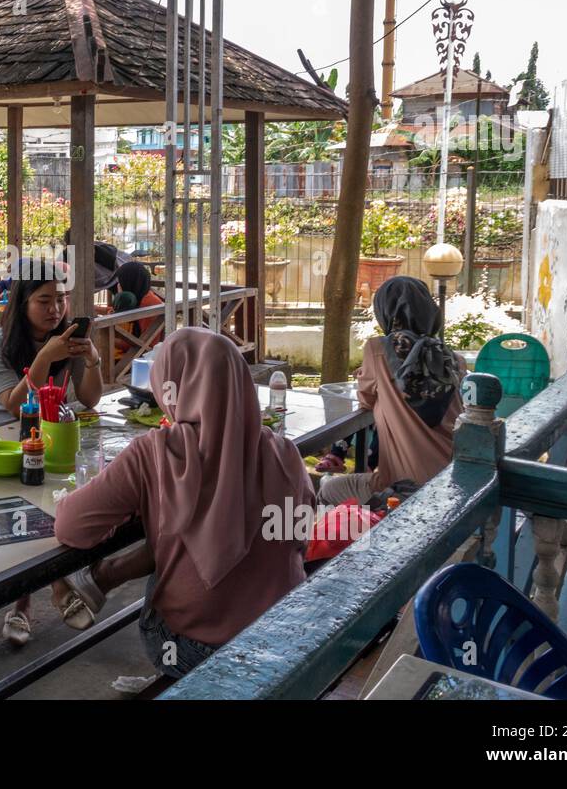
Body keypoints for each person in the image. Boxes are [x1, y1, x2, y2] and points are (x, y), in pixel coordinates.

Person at [54, 327, 314, 678]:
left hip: (192, 648)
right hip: (285, 640)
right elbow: (300, 538)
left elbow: (71, 526)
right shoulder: (285, 451)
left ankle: (101, 578)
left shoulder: (155, 452)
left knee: (175, 546)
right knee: (188, 537)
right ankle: (103, 578)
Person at [0, 263, 105, 644]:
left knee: (48, 508)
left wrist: (91, 357)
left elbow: (91, 398)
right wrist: (44, 357)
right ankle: (38, 598)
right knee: (23, 514)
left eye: (60, 298)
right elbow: (14, 405)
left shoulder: (67, 339)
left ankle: (43, 595)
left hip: (44, 438)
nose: (55, 308)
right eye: (44, 300)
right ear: (21, 303)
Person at [318, 276, 465, 506]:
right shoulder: (453, 359)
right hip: (453, 480)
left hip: (403, 487)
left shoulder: (378, 350)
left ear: (384, 312)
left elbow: (365, 401)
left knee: (326, 490)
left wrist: (371, 377)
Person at [106, 260, 165, 356]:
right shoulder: (142, 295)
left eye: (120, 281)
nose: (118, 285)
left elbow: (141, 345)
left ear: (130, 282)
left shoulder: (148, 307)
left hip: (136, 359)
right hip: (132, 353)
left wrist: (104, 338)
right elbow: (117, 311)